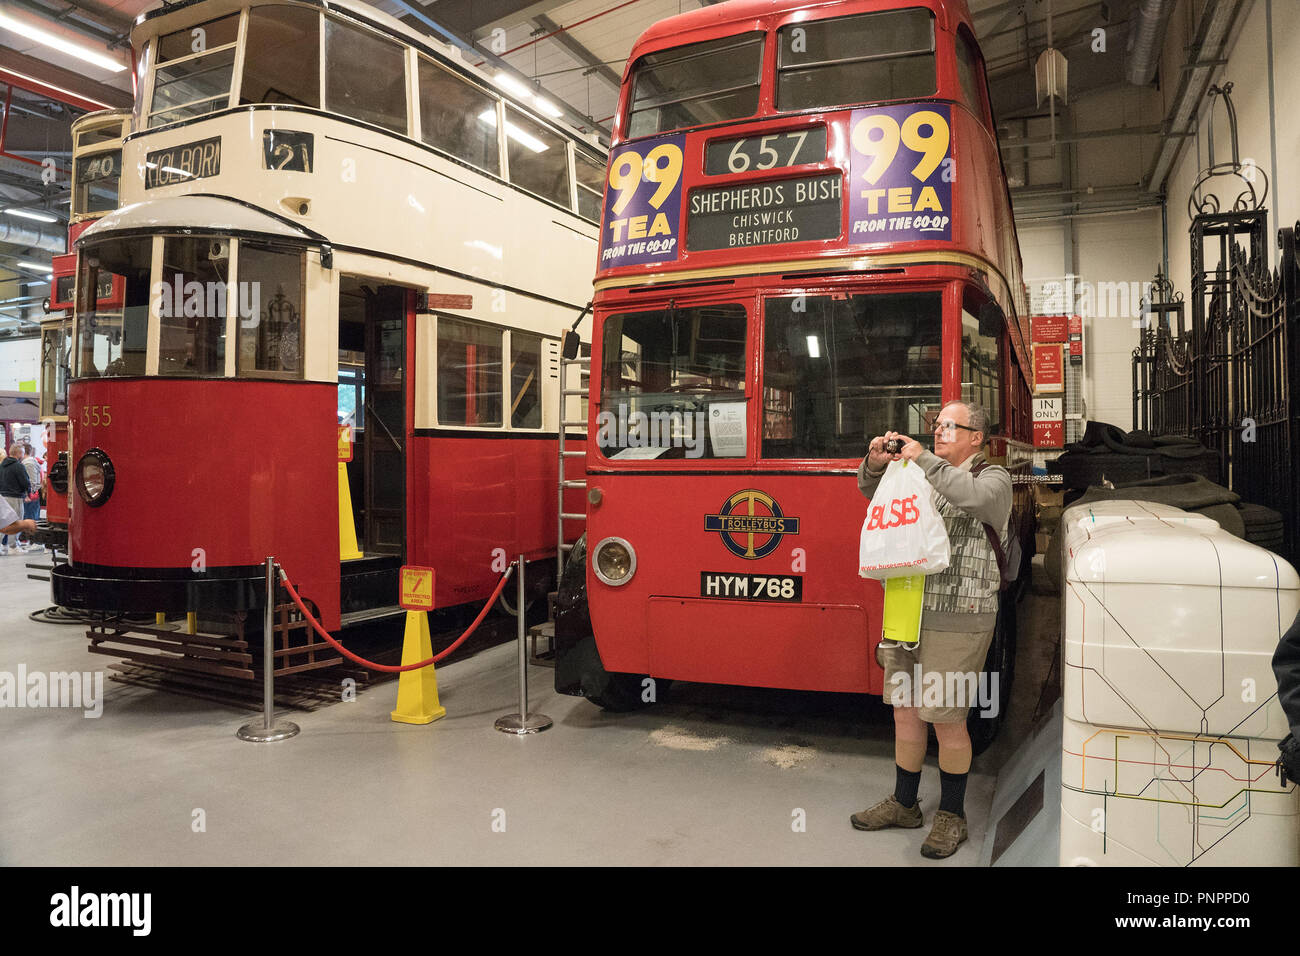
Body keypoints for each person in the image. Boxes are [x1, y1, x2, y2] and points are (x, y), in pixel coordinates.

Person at [851, 401, 1012, 859]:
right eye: (936, 426)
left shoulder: (994, 478)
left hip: (960, 615)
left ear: (975, 436)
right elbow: (869, 490)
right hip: (906, 610)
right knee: (906, 710)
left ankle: (952, 815)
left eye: (949, 426)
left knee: (946, 717)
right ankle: (905, 803)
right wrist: (876, 462)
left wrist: (922, 457)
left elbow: (975, 500)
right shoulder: (917, 471)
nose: (939, 432)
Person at [1, 442, 32, 555]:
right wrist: (28, 493)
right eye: (22, 453)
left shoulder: (2, 465)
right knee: (16, 522)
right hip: (15, 497)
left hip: (2, 496)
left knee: (3, 522)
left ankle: (2, 546)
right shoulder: (18, 466)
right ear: (19, 453)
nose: (23, 455)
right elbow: (25, 482)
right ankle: (13, 547)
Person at [20, 442, 41, 550]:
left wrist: (29, 494)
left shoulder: (28, 463)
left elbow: (32, 480)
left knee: (31, 518)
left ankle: (35, 542)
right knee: (31, 517)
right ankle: (32, 541)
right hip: (31, 495)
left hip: (31, 496)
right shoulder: (30, 462)